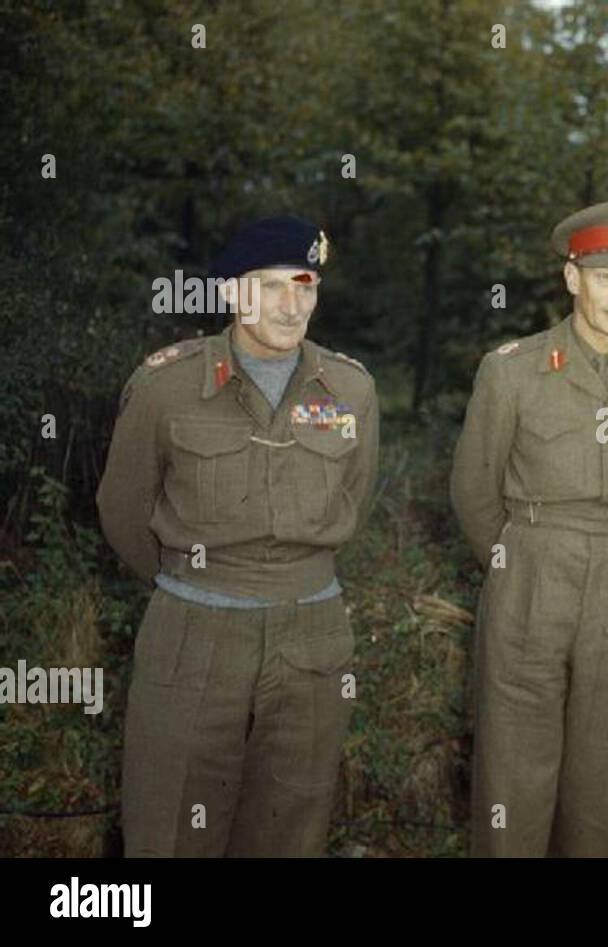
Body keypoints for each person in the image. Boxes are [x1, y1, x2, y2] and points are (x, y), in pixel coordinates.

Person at [97, 216, 379, 856]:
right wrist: (196, 582)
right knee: (168, 825)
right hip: (195, 630)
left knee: (290, 827)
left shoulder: (352, 388)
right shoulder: (168, 384)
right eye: (272, 286)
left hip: (311, 634)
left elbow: (351, 502)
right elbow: (123, 511)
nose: (292, 304)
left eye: (305, 286)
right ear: (231, 293)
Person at [450, 200, 608, 857]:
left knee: (600, 775)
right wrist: (514, 558)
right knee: (513, 770)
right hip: (530, 569)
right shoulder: (513, 369)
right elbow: (473, 487)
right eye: (606, 276)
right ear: (573, 278)